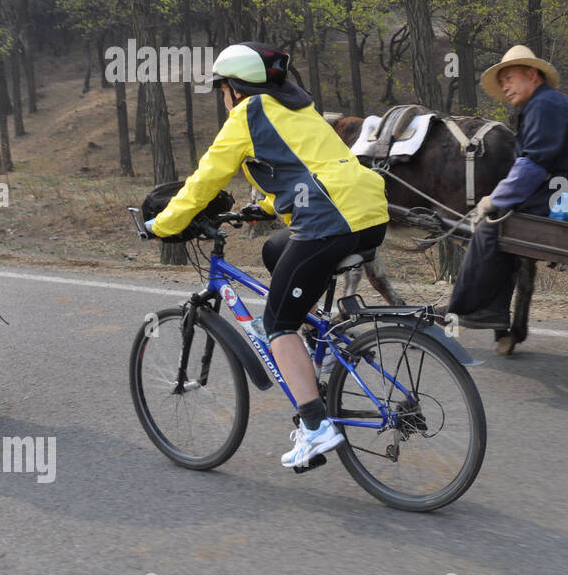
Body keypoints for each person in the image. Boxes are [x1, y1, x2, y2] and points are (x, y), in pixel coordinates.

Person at [145, 42, 390, 469]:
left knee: (278, 323)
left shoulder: (247, 113)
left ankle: (315, 428)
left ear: (234, 88)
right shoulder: (296, 108)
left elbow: (206, 178)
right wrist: (269, 206)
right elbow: (315, 167)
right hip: (368, 211)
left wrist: (161, 225)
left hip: (330, 220)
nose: (223, 98)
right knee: (276, 250)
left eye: (221, 89)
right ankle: (322, 341)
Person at [447, 45, 568, 330]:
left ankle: (471, 308)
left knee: (492, 224)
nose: (505, 87)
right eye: (502, 81)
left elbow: (532, 164)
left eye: (509, 78)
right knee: (501, 221)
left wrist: (493, 201)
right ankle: (491, 308)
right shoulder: (543, 104)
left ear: (531, 74)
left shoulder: (545, 105)